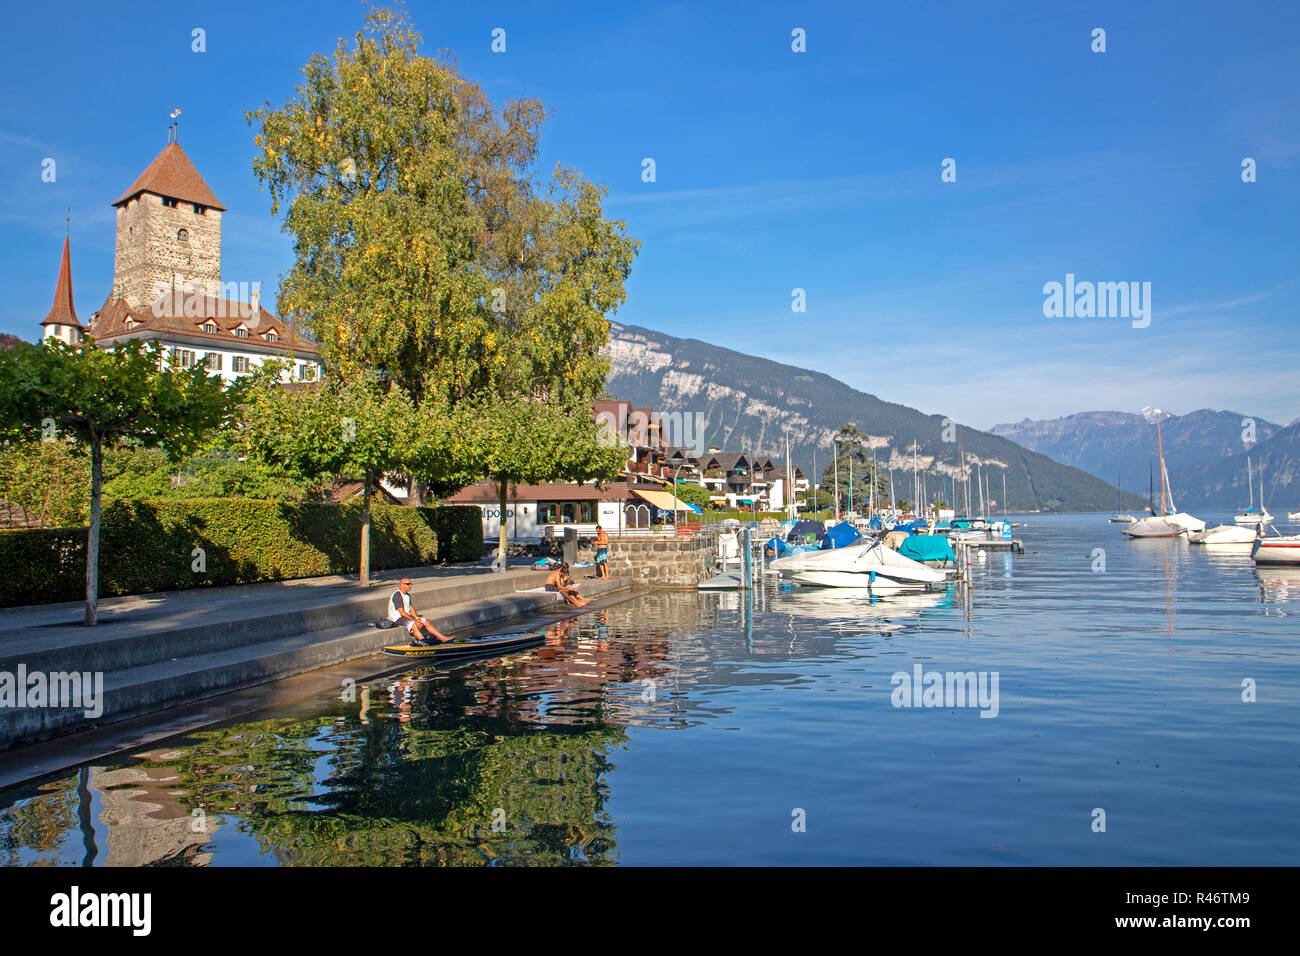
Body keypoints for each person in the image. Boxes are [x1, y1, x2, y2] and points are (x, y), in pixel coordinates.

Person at [388, 577, 451, 646]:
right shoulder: (397, 595)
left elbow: (411, 608)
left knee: (426, 621)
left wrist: (417, 618)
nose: (410, 586)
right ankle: (422, 641)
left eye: (410, 584)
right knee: (414, 624)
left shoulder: (407, 595)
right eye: (407, 584)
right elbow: (402, 612)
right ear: (401, 585)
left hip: (405, 616)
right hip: (397, 618)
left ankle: (442, 638)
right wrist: (415, 621)